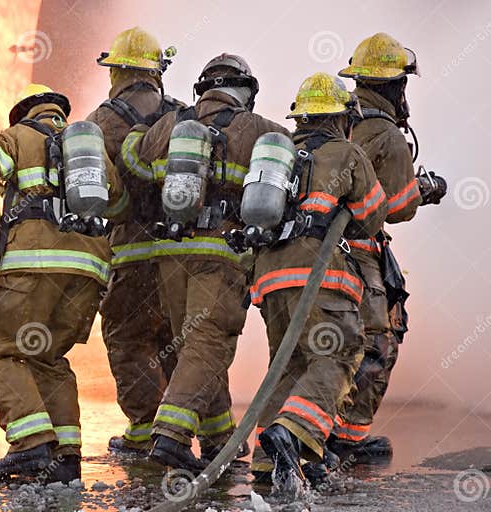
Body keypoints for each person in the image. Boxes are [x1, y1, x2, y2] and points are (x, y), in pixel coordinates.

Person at [121, 53, 288, 470]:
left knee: (192, 346)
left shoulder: (171, 124)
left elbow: (134, 163)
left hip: (168, 254)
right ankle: (171, 436)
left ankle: (218, 441)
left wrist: (142, 128)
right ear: (246, 91)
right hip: (221, 254)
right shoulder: (264, 133)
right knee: (208, 344)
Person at [0, 84, 128, 483]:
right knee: (48, 358)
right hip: (89, 270)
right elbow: (120, 201)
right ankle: (65, 458)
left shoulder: (12, 137)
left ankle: (31, 442)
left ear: (23, 113)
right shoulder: (87, 148)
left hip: (33, 264)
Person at [247, 72, 387, 493]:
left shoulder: (280, 155)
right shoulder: (347, 152)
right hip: (318, 274)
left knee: (287, 366)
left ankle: (264, 463)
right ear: (342, 118)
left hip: (270, 277)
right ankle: (292, 431)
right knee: (338, 353)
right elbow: (372, 218)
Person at [330, 33, 446, 461]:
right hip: (357, 250)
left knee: (330, 342)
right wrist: (426, 190)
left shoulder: (339, 119)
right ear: (396, 86)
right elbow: (397, 209)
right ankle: (347, 439)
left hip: (315, 249)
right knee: (378, 342)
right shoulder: (387, 134)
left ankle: (317, 434)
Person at [85, 26, 183, 455]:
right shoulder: (183, 115)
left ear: (117, 71)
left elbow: (90, 190)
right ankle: (185, 428)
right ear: (157, 71)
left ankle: (145, 431)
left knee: (129, 339)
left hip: (131, 251)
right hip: (185, 253)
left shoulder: (101, 122)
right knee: (177, 339)